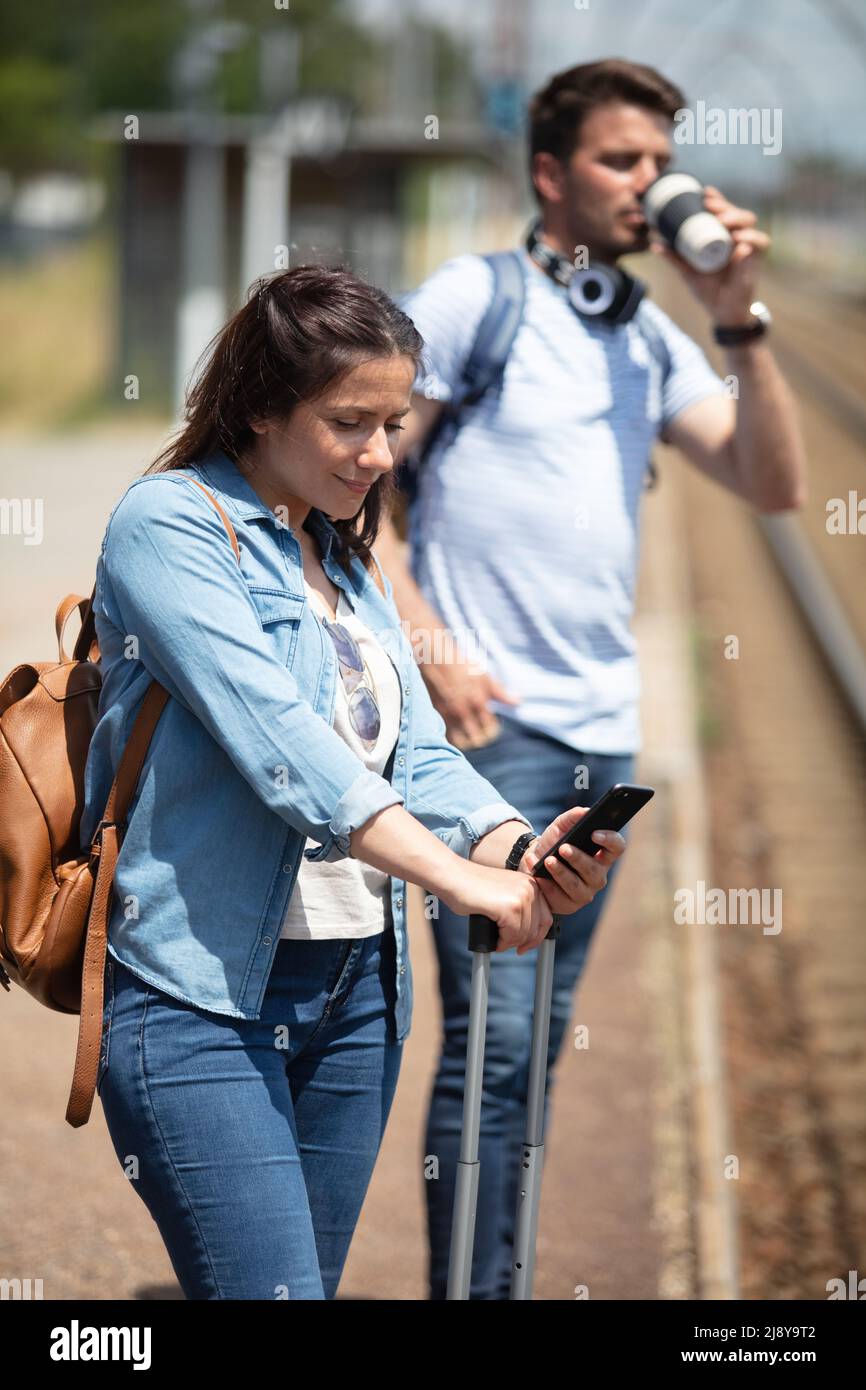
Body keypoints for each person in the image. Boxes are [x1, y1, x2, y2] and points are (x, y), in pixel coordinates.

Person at [79, 263, 627, 1300]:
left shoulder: (341, 554)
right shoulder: (169, 527)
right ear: (256, 407)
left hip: (354, 994)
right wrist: (459, 883)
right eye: (348, 422)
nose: (380, 454)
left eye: (395, 422)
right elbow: (286, 749)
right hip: (199, 996)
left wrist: (514, 846)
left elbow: (413, 753)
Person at [376, 58, 808, 1299]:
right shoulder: (475, 300)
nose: (648, 185)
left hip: (598, 745)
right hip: (489, 737)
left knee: (531, 1049)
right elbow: (353, 474)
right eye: (624, 161)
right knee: (497, 1043)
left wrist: (738, 317)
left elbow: (773, 483)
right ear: (550, 173)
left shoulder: (648, 337)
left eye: (660, 163)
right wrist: (427, 640)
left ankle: (488, 1277)